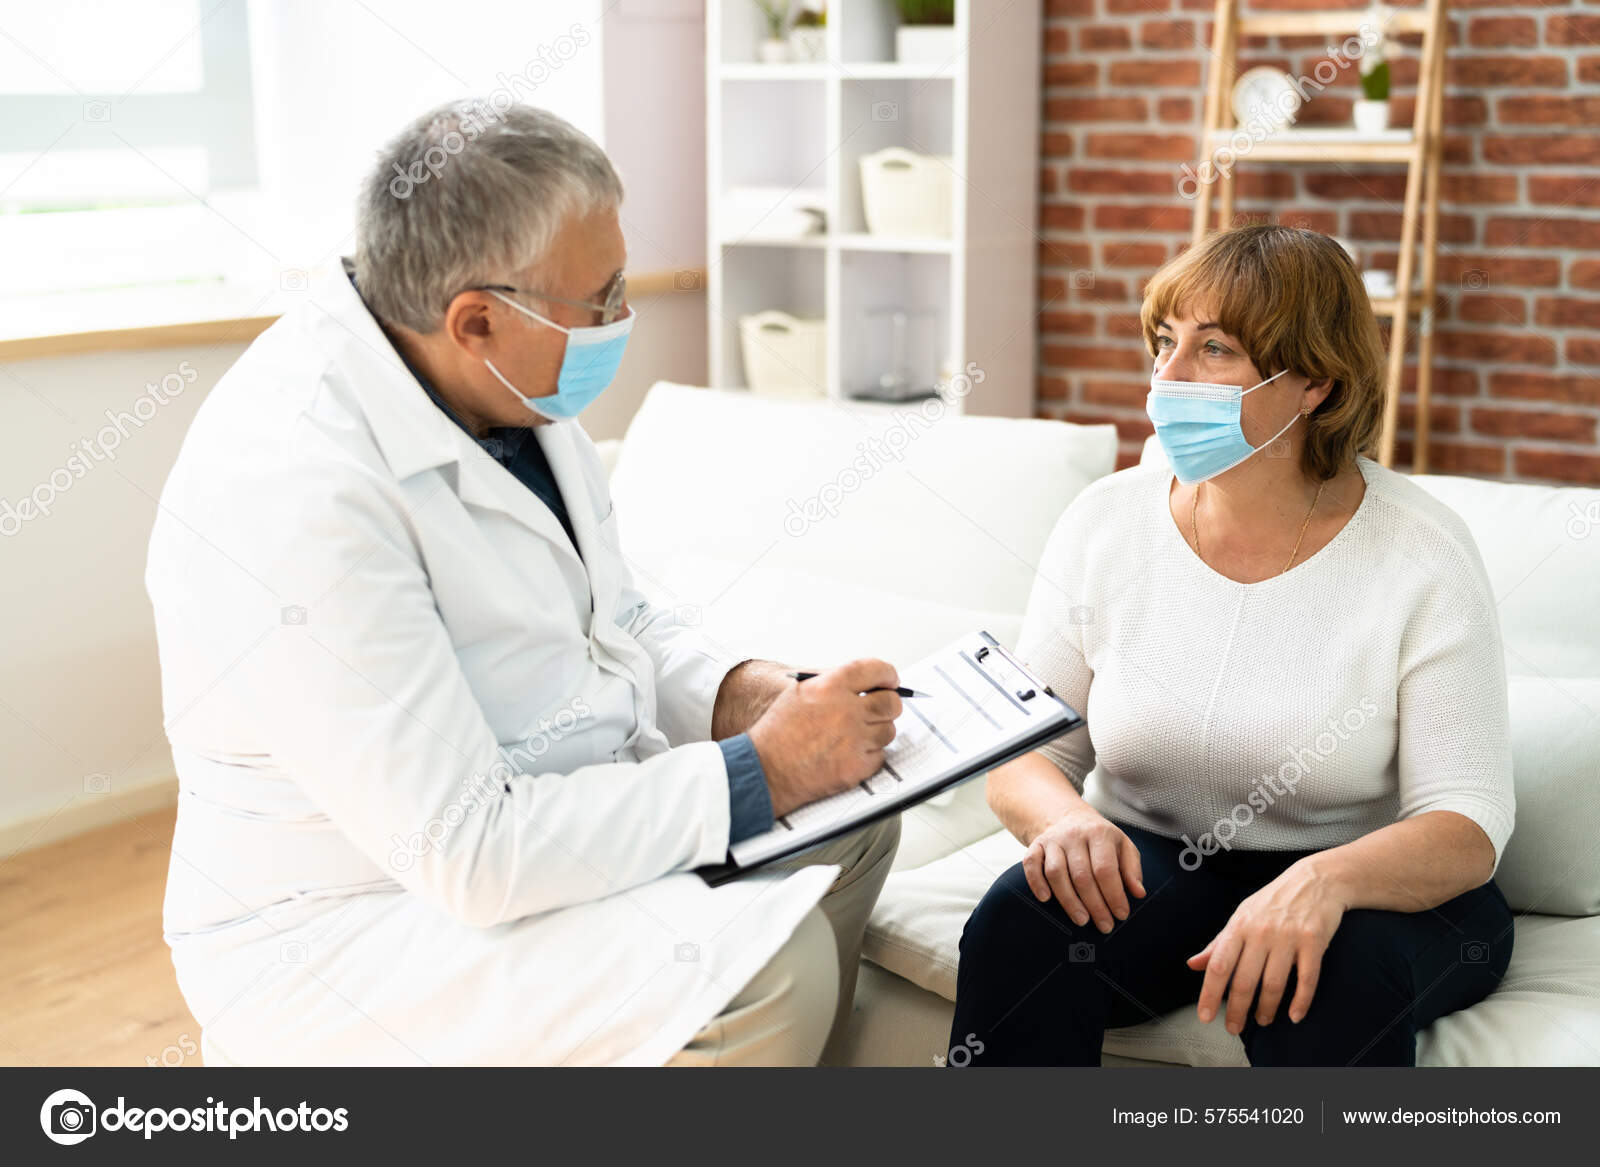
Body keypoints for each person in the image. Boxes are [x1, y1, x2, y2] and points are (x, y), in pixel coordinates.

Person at [146, 101, 899, 1067]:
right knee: (766, 962)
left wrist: (741, 696)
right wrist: (762, 771)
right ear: (476, 318)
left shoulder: (499, 381)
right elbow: (465, 848)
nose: (625, 318)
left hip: (540, 824)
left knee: (855, 820)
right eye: (606, 295)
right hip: (358, 926)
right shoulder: (297, 481)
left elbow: (611, 616)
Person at [948, 224, 1515, 1066]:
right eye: (1165, 343)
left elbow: (1467, 821)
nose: (1167, 378)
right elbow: (1027, 753)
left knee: (1321, 979)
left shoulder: (1422, 551)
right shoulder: (1106, 522)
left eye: (1214, 350)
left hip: (1375, 884)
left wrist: (1320, 883)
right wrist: (1064, 820)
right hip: (1164, 863)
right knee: (1020, 924)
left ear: (1316, 382)